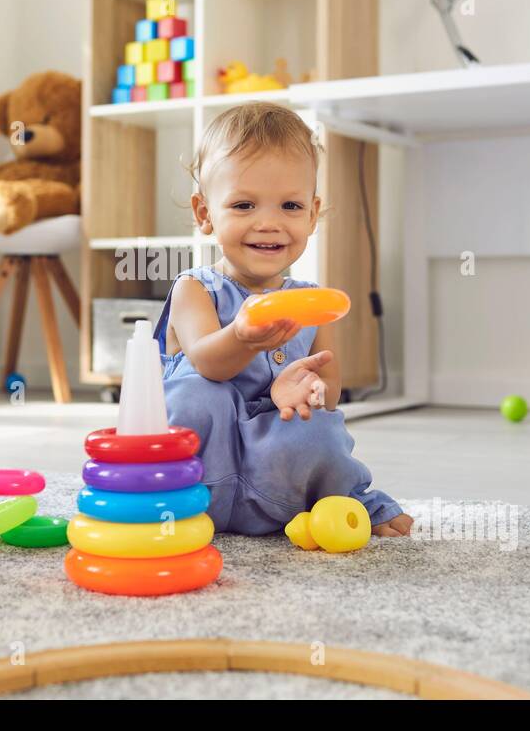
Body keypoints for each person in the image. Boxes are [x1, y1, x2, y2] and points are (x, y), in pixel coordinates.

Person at [153, 102, 413, 537]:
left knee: (319, 429)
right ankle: (177, 501)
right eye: (243, 205)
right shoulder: (195, 289)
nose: (269, 223)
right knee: (199, 396)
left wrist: (308, 390)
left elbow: (330, 388)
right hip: (197, 482)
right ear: (205, 214)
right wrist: (241, 335)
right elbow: (207, 364)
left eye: (290, 205)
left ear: (312, 214)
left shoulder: (311, 302)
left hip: (273, 480)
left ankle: (347, 499)